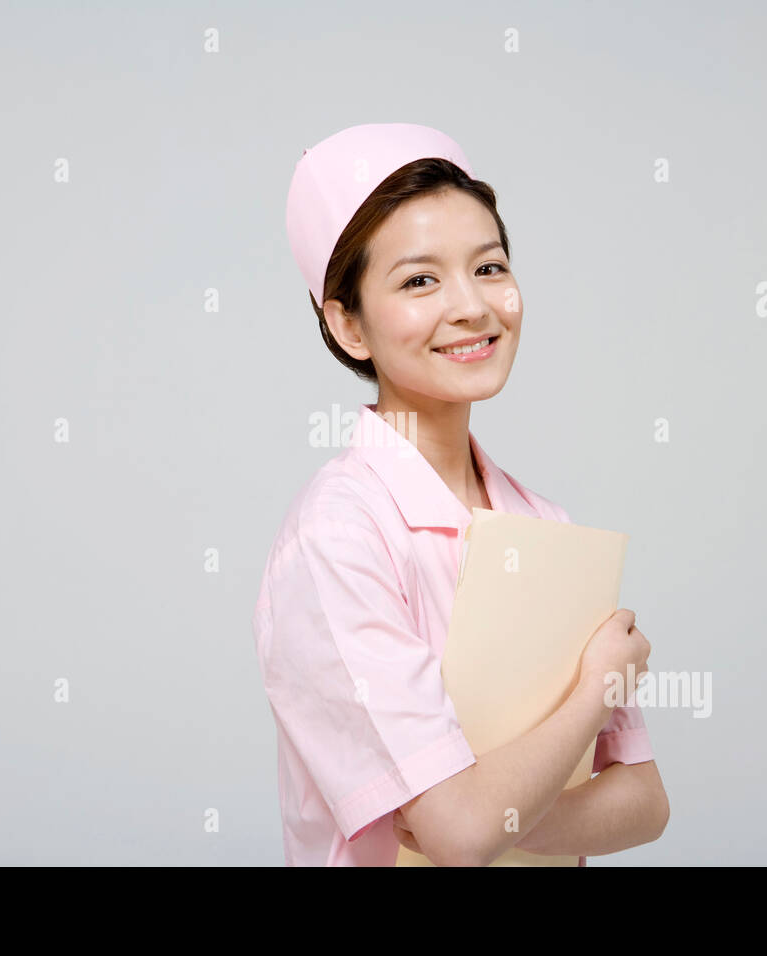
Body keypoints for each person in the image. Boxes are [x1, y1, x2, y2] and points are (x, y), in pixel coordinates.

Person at [253, 123, 669, 866]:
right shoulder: (337, 539)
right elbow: (459, 832)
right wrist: (592, 691)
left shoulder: (546, 525)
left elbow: (643, 805)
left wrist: (490, 813)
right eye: (419, 280)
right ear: (347, 324)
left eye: (489, 267)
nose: (473, 307)